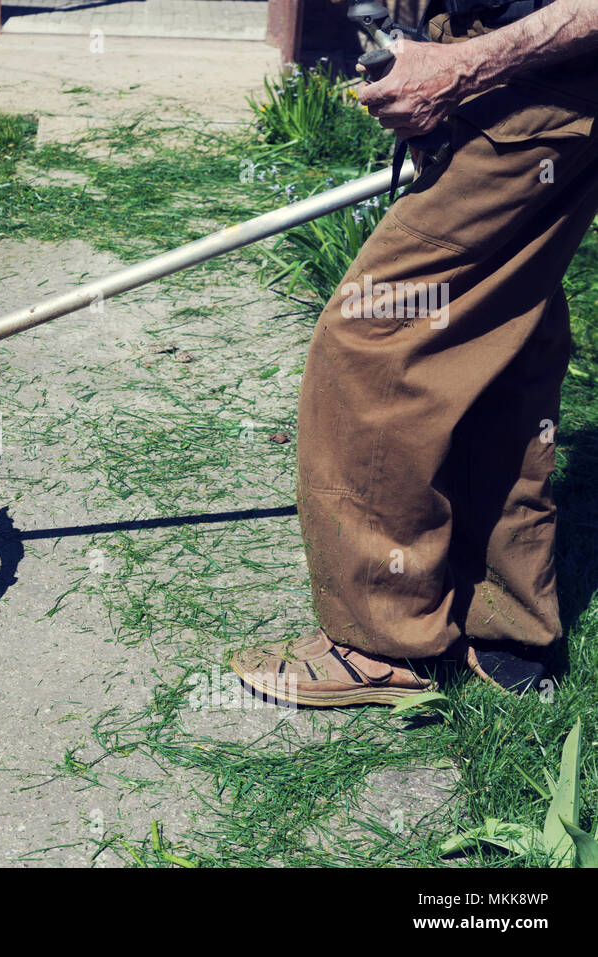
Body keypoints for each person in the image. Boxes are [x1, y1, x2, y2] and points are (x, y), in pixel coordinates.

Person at [230, 0, 598, 705]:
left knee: (375, 331)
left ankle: (381, 643)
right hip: (523, 67)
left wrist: (464, 66)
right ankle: (504, 620)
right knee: (501, 331)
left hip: (544, 82)